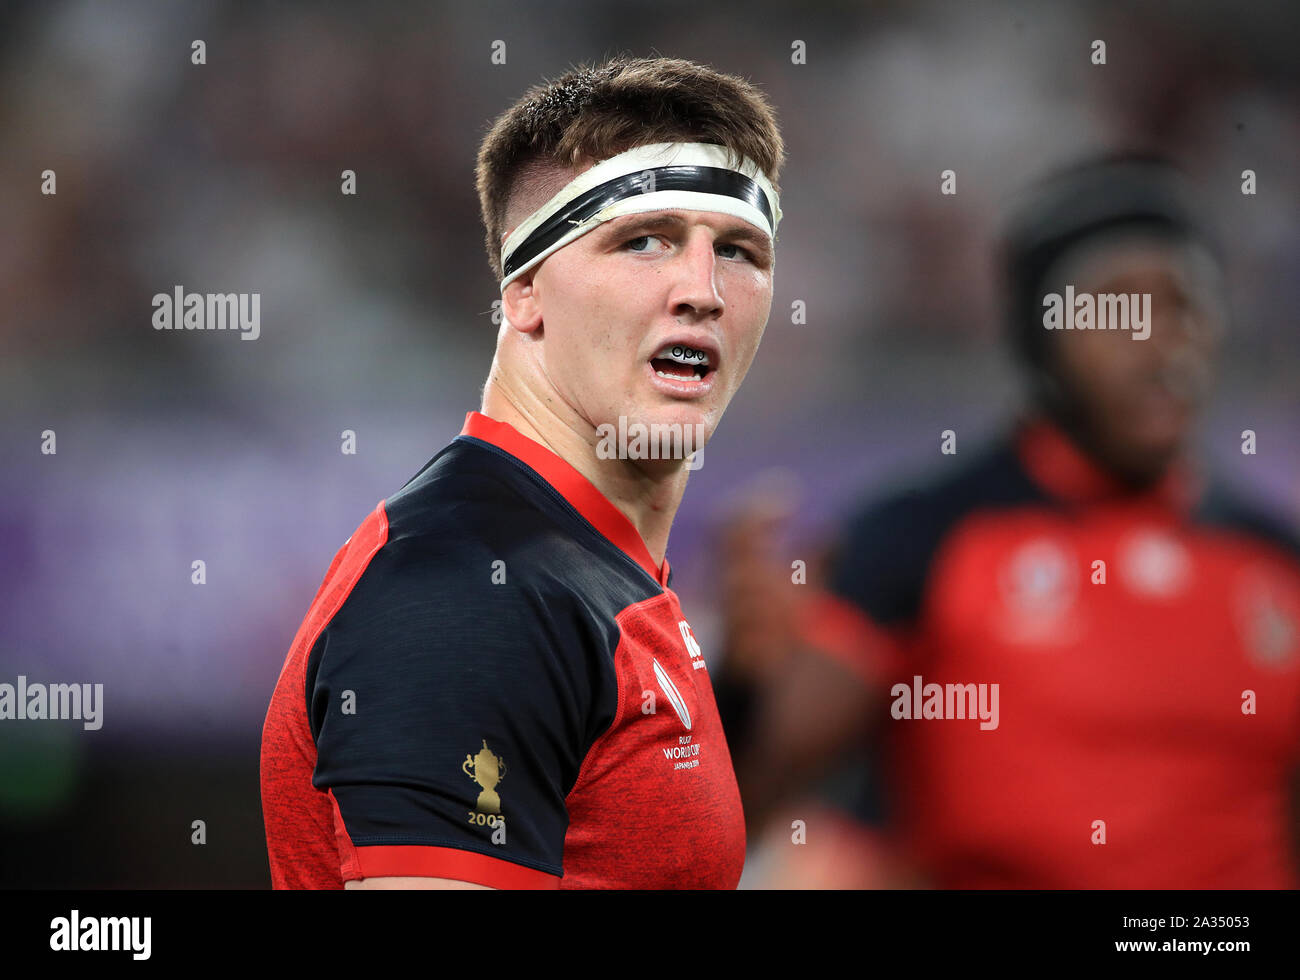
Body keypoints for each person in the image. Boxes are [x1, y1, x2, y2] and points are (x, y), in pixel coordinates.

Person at [259, 55, 785, 889]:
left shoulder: (584, 572)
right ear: (525, 290)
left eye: (738, 250)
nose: (703, 288)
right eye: (643, 241)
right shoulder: (469, 590)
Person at [717, 154, 1300, 888]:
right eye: (1117, 309)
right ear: (1041, 338)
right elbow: (740, 808)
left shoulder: (1275, 564)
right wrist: (738, 686)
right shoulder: (921, 541)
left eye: (1184, 306)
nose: (1160, 345)